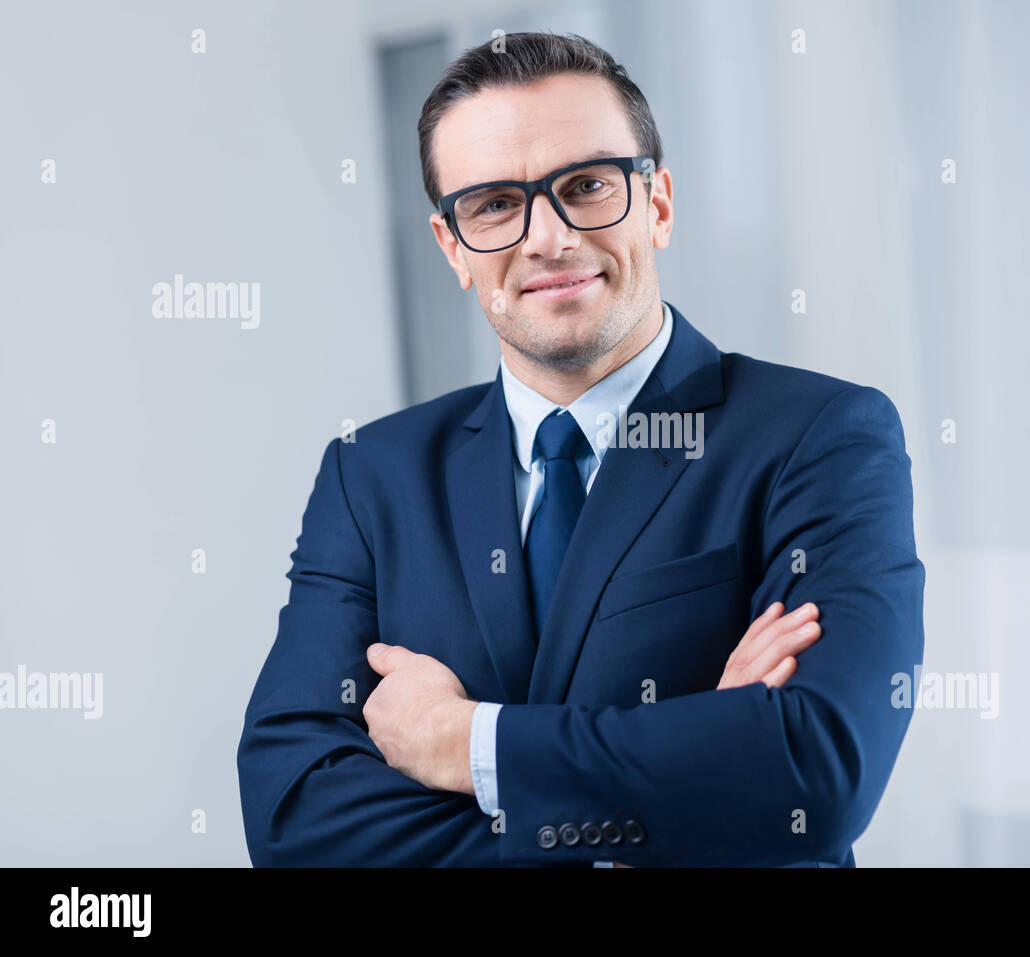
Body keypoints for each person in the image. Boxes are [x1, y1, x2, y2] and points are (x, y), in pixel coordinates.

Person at [236, 31, 924, 867]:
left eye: (587, 185)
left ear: (658, 203)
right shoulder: (370, 475)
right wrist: (683, 778)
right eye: (493, 204)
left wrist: (469, 745)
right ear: (453, 246)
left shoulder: (820, 436)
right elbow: (293, 816)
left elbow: (816, 771)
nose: (548, 238)